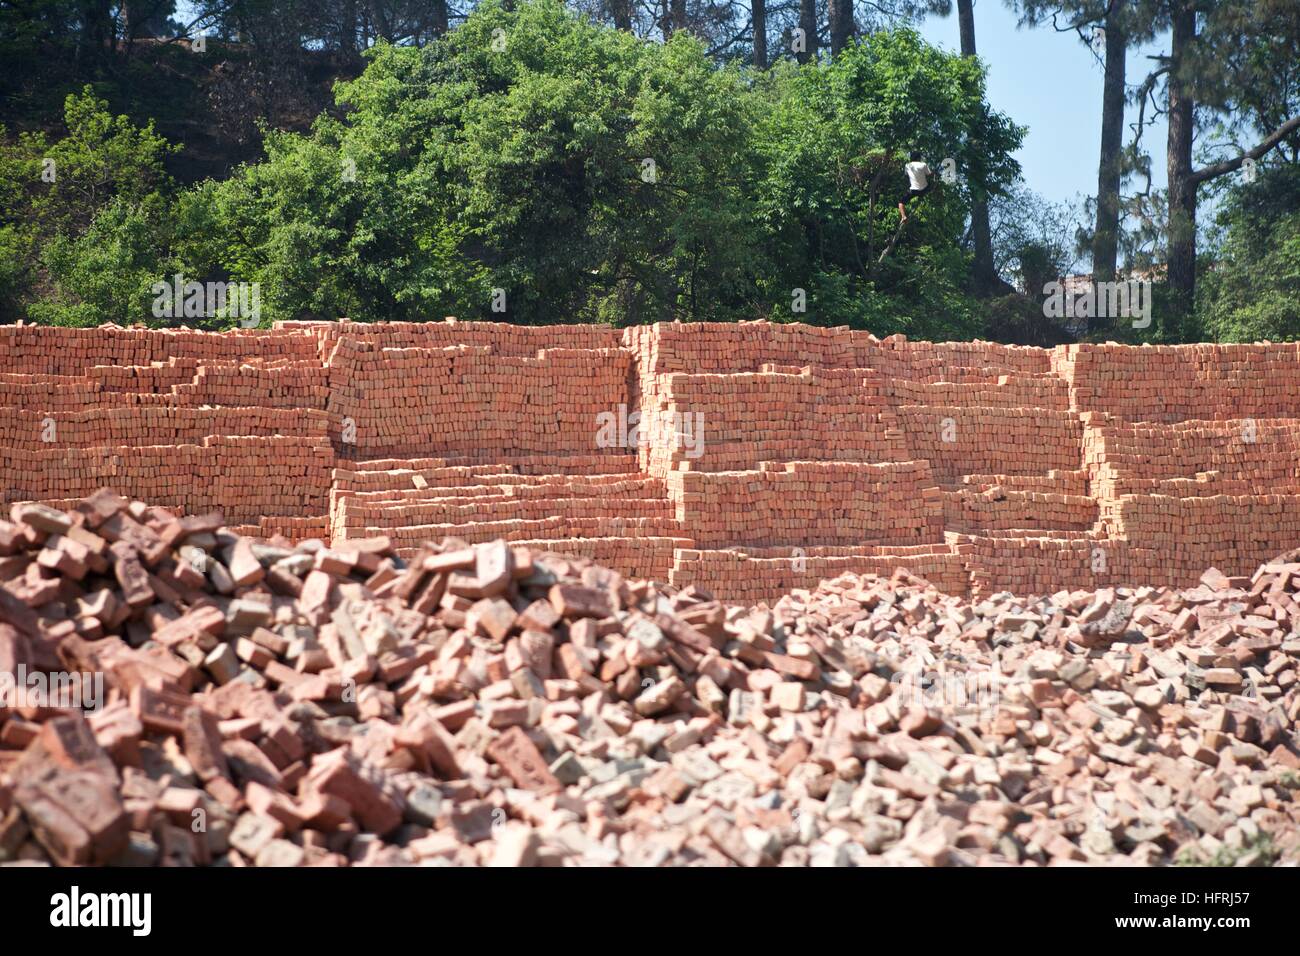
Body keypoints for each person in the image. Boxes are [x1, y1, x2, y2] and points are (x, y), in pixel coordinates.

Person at [897, 151, 933, 224]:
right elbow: (930, 174)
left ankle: (903, 216)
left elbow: (906, 176)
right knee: (931, 181)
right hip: (924, 189)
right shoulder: (923, 165)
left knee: (901, 203)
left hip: (913, 190)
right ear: (919, 158)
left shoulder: (907, 165)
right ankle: (929, 192)